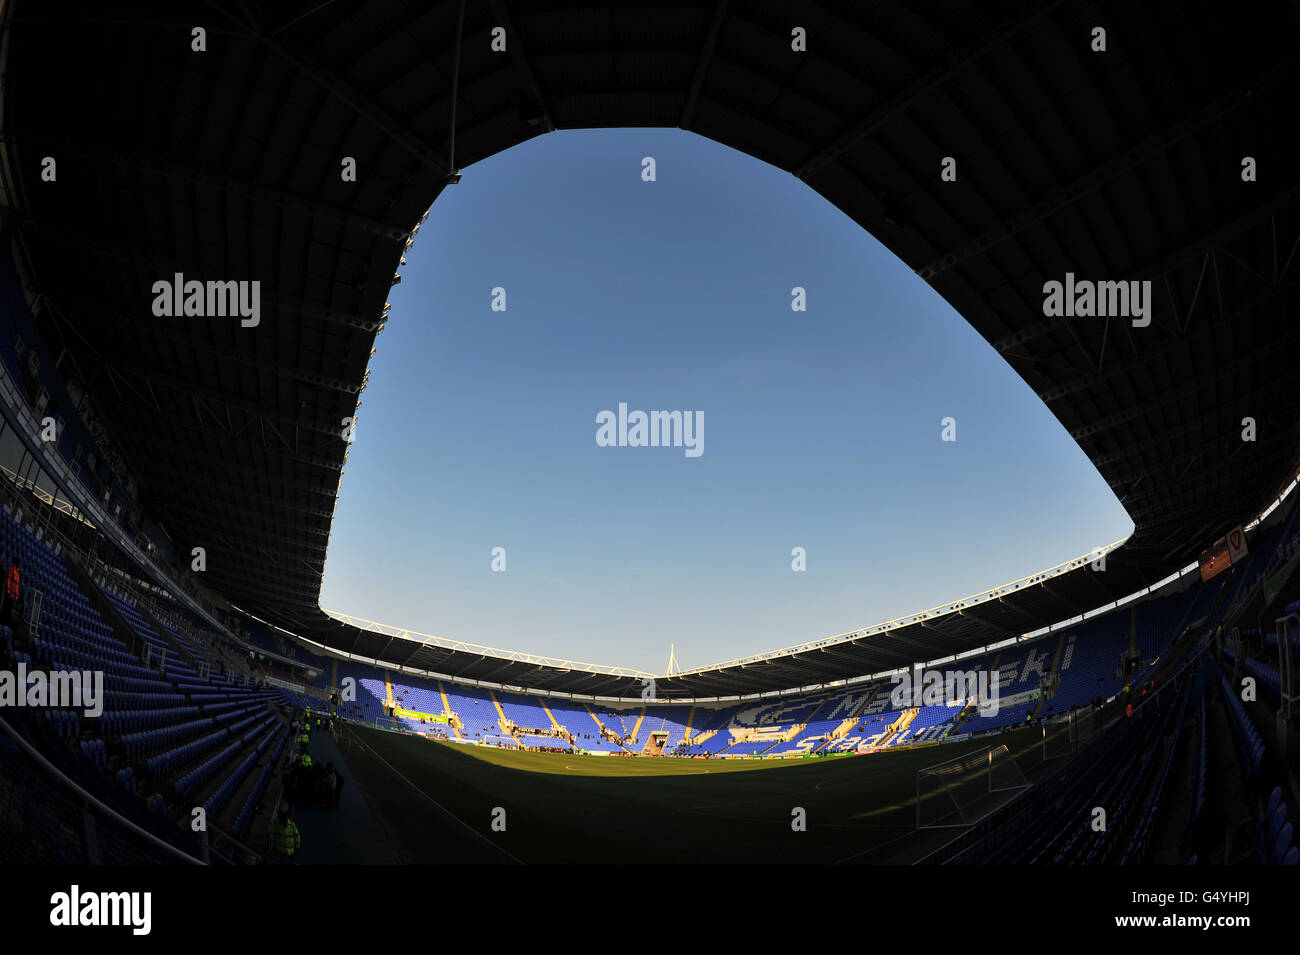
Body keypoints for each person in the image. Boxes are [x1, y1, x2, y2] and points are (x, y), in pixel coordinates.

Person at [0, 556, 19, 623]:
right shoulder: (12, 569)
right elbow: (8, 580)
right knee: (5, 608)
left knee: (8, 610)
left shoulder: (17, 572)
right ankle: (1, 621)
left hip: (13, 596)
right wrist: (7, 590)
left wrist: (16, 596)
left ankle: (4, 621)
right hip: (9, 593)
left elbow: (16, 585)